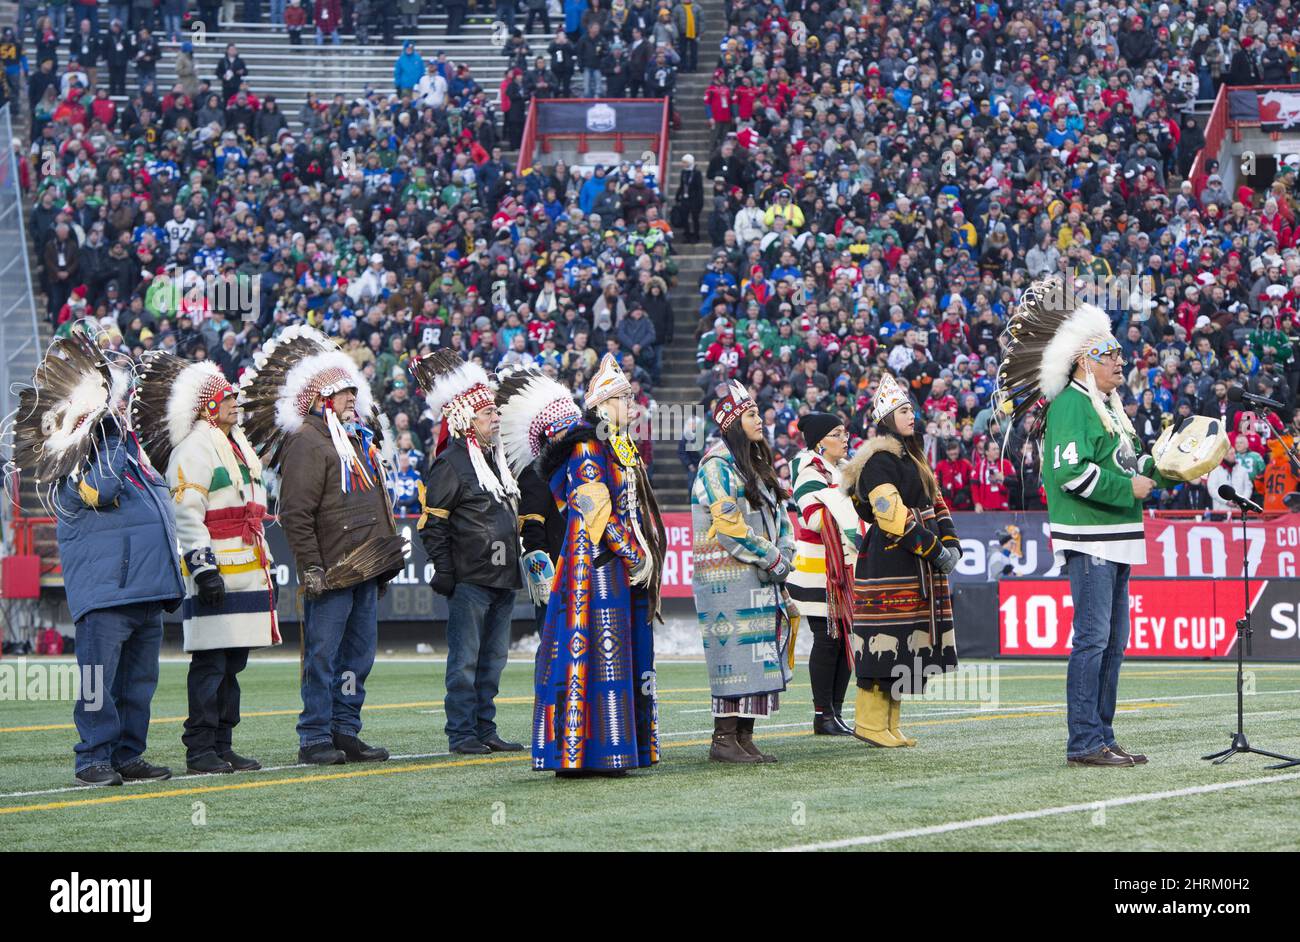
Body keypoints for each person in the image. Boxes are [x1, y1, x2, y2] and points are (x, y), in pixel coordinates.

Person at [999, 278, 1184, 768]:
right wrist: (1128, 488)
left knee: (1113, 644)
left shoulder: (1111, 406)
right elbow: (1067, 473)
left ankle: (1101, 734)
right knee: (1093, 640)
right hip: (1091, 538)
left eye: (1121, 354)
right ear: (1085, 360)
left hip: (1118, 538)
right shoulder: (1072, 404)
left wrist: (1166, 467)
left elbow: (1131, 463)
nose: (1121, 362)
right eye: (1112, 354)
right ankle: (1083, 741)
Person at [11, 333, 183, 786]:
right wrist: (106, 435)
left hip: (145, 589)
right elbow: (101, 492)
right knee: (97, 685)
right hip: (108, 592)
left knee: (137, 687)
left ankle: (128, 754)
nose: (121, 410)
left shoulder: (129, 454)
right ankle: (91, 759)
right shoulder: (71, 464)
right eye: (114, 405)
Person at [240, 325, 403, 766]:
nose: (352, 398)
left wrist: (382, 562)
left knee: (357, 657)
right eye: (341, 393)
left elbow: (379, 502)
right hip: (332, 571)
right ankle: (314, 736)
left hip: (365, 568)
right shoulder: (307, 442)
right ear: (317, 400)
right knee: (324, 656)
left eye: (352, 391)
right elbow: (296, 512)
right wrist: (311, 567)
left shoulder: (355, 439)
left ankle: (345, 730)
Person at [132, 354, 279, 775]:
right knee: (212, 662)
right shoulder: (194, 448)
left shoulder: (237, 444)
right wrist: (203, 568)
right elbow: (186, 513)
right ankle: (199, 749)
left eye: (234, 397)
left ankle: (222, 743)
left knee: (233, 662)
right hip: (218, 571)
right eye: (226, 398)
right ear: (206, 407)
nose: (235, 404)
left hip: (247, 566)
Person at [532, 353, 667, 776]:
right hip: (595, 568)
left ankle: (623, 749)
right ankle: (588, 755)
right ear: (604, 405)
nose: (633, 407)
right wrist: (634, 554)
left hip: (617, 567)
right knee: (595, 660)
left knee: (618, 659)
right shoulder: (589, 446)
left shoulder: (619, 446)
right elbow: (596, 513)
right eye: (626, 399)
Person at [413, 350, 525, 756]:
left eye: (496, 412)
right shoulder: (451, 463)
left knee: (493, 661)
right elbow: (433, 523)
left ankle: (485, 728)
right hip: (470, 578)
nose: (496, 418)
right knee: (465, 661)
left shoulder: (497, 462)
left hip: (502, 578)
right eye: (487, 413)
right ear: (466, 420)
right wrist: (443, 568)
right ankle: (462, 734)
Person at [843, 373, 961, 748]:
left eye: (911, 408)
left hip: (914, 563)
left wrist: (950, 540)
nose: (912, 415)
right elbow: (890, 514)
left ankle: (890, 722)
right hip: (890, 560)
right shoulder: (879, 460)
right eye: (903, 410)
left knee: (906, 643)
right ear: (887, 418)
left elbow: (936, 500)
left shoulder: (915, 458)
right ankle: (869, 722)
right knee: (886, 637)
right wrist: (933, 548)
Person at [691, 379, 796, 763]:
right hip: (727, 581)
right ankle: (723, 739)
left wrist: (784, 552)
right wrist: (771, 558)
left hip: (759, 576)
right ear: (733, 422)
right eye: (751, 415)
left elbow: (781, 516)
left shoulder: (756, 466)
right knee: (732, 656)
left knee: (758, 657)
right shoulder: (716, 467)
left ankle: (744, 736)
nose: (761, 421)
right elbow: (729, 526)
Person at [789, 412, 861, 736]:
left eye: (845, 432)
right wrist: (849, 516)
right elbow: (812, 518)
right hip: (819, 567)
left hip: (844, 564)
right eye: (836, 433)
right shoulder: (808, 471)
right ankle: (822, 713)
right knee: (828, 637)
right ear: (820, 440)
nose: (844, 438)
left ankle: (836, 710)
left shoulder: (844, 470)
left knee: (846, 637)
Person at [494, 367, 582, 631]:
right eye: (567, 429)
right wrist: (542, 575)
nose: (574, 435)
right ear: (551, 434)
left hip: (580, 564)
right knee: (554, 640)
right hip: (556, 569)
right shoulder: (537, 472)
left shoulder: (577, 465)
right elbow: (530, 528)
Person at [675, 153, 703, 243]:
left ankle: (696, 236)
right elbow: (682, 185)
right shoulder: (683, 172)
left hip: (694, 199)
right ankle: (686, 235)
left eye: (685, 162)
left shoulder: (697, 173)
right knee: (684, 217)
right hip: (685, 198)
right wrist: (677, 195)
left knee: (695, 218)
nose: (683, 164)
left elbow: (699, 188)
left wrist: (700, 201)